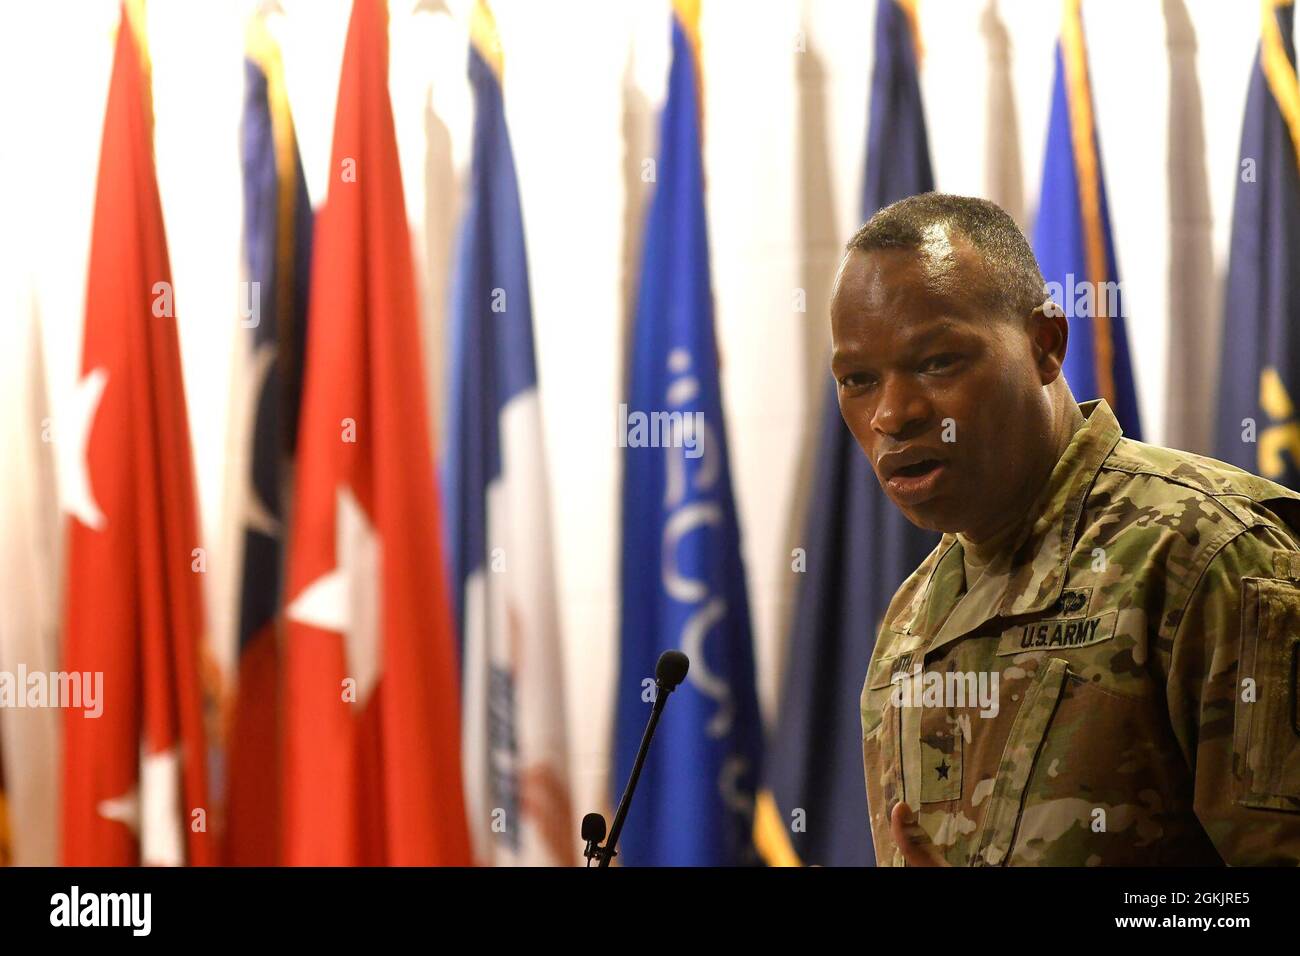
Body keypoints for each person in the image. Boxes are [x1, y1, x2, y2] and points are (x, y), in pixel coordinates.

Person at [831, 192, 1300, 866]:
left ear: (1045, 345)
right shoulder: (910, 619)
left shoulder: (1209, 555)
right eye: (858, 380)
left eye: (937, 363)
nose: (892, 415)